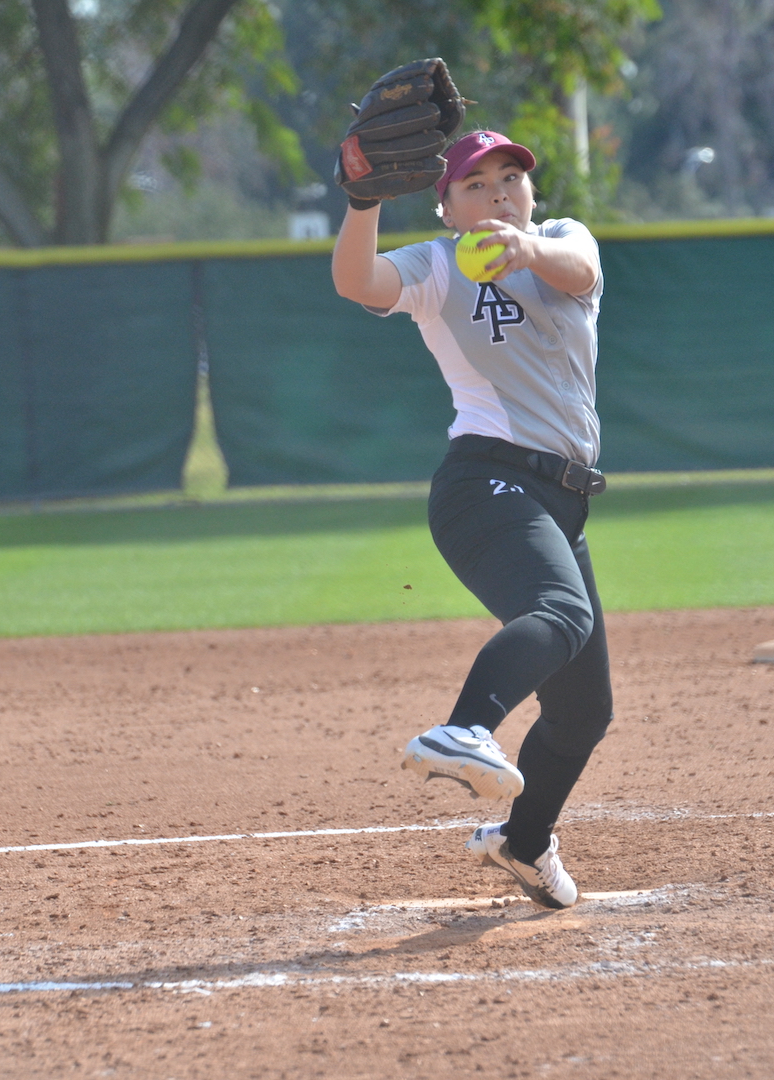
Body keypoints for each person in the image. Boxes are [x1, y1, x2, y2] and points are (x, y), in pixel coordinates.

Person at [331, 130, 611, 910]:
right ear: (446, 205)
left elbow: (579, 269)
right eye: (475, 184)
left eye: (509, 178)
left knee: (586, 711)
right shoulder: (435, 264)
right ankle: (462, 730)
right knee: (559, 612)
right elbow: (358, 280)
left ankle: (523, 845)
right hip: (484, 481)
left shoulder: (559, 242)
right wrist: (361, 203)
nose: (496, 193)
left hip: (561, 497)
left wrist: (523, 247)